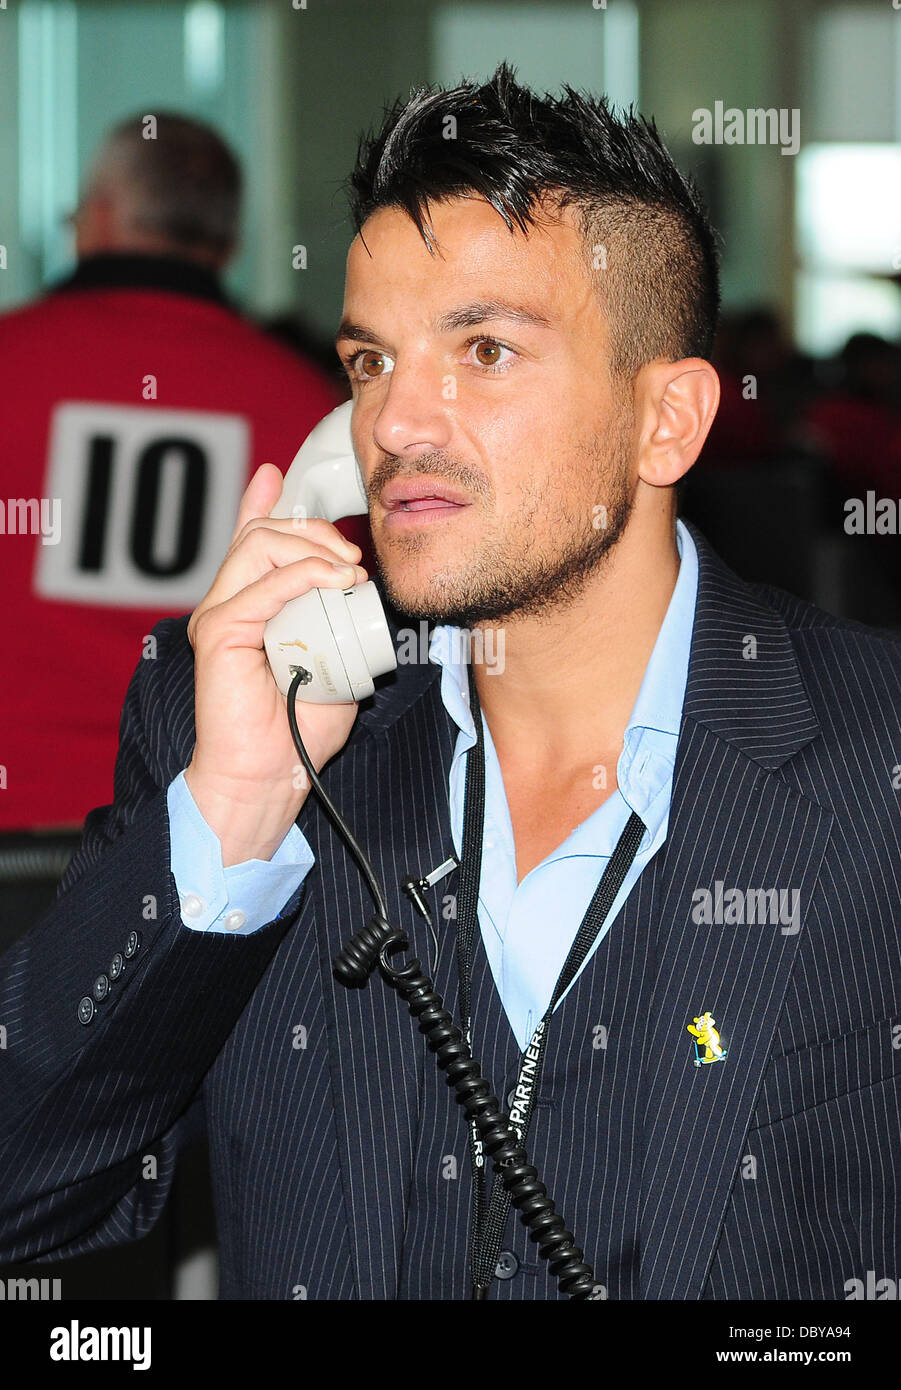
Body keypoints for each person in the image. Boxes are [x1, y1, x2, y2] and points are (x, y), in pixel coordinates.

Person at [0, 65, 897, 1301]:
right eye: (370, 361)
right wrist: (235, 820)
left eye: (483, 349)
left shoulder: (873, 763)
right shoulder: (256, 742)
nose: (398, 425)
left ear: (667, 424)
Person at [0, 112, 348, 835]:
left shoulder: (11, 363)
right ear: (228, 244)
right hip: (204, 842)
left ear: (93, 219)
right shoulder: (308, 407)